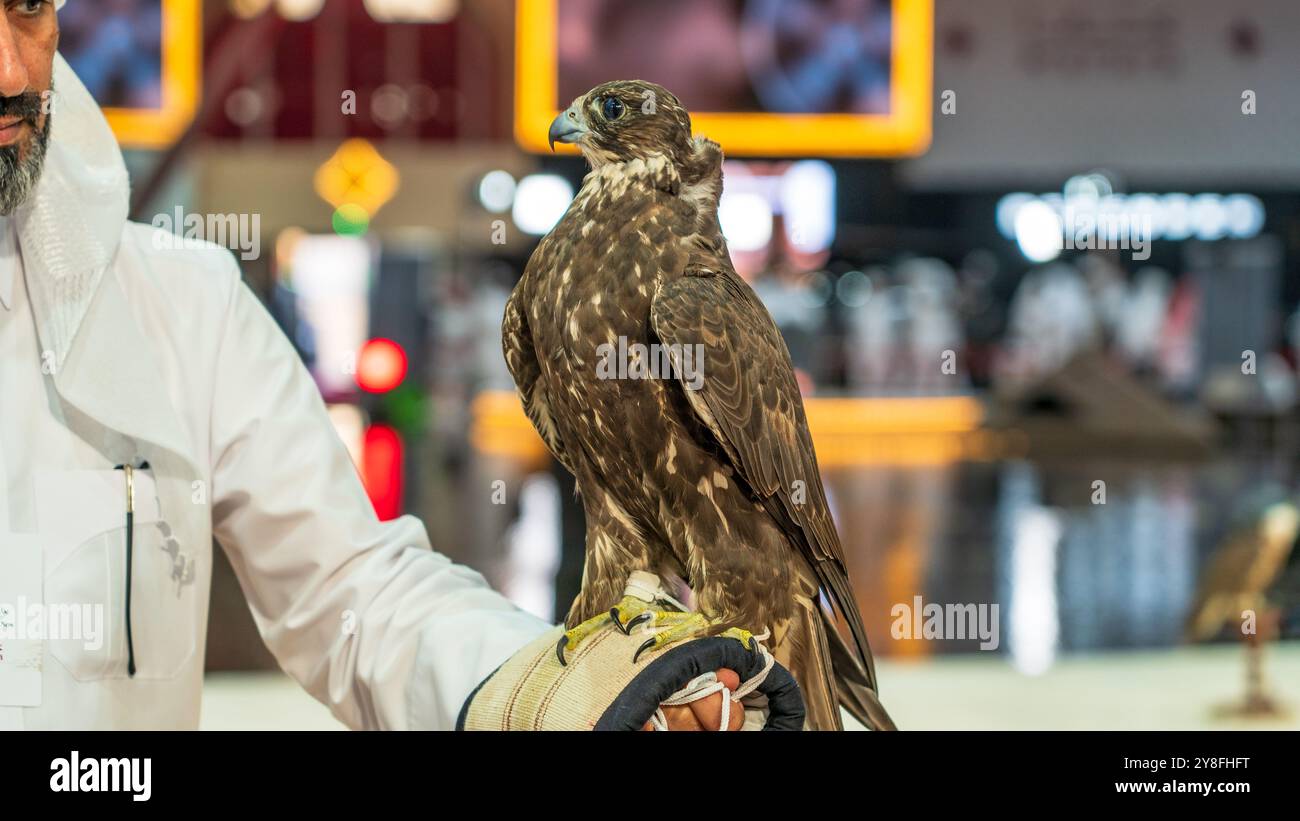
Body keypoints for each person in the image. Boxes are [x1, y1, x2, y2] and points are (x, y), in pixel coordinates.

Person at [0, 1, 761, 730]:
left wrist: (565, 693)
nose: (10, 71)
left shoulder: (182, 308)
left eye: (27, 7)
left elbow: (351, 591)